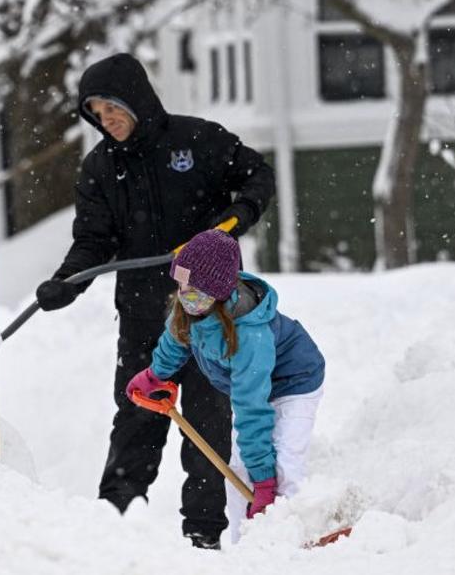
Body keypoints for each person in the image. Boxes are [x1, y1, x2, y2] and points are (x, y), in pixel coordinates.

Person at [34, 53, 275, 550]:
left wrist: (230, 222)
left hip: (211, 311)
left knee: (208, 420)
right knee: (137, 411)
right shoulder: (100, 168)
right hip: (145, 316)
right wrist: (66, 281)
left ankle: (204, 534)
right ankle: (115, 521)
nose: (107, 121)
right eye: (97, 114)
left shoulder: (197, 140)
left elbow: (258, 177)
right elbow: (93, 241)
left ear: (136, 99)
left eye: (113, 108)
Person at [126, 229, 326, 542]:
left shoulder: (250, 335)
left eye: (192, 287)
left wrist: (263, 483)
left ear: (217, 290)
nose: (183, 293)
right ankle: (245, 545)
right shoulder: (192, 308)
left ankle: (294, 539)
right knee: (236, 470)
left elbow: (251, 410)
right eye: (180, 284)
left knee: (284, 465)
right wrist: (154, 376)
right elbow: (174, 341)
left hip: (294, 383)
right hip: (252, 385)